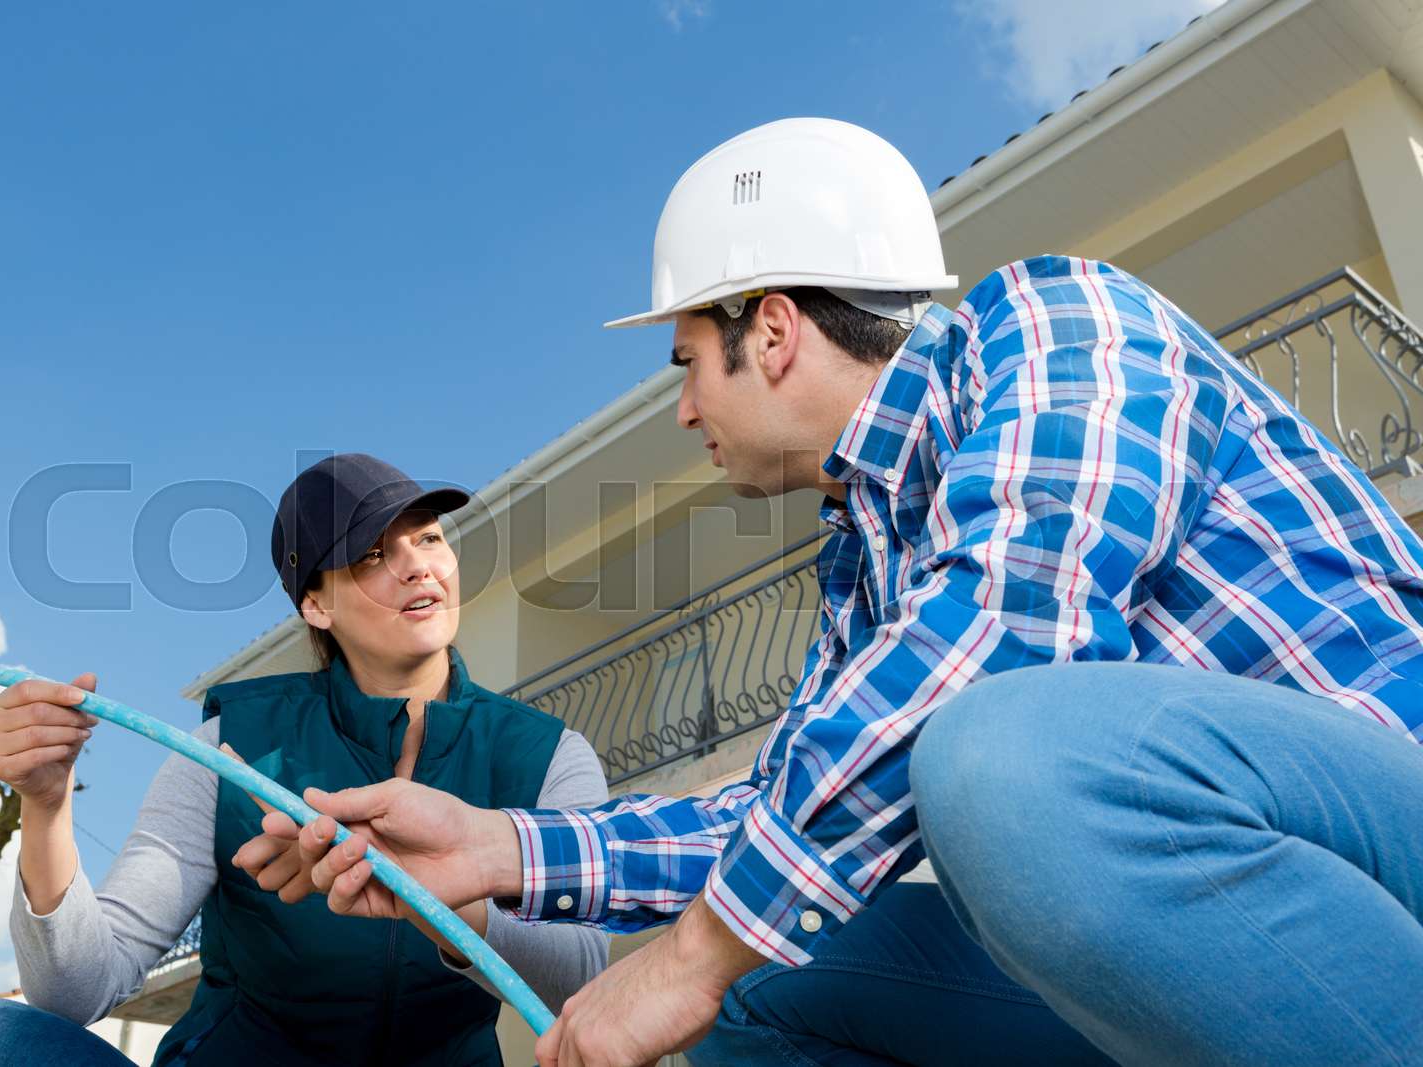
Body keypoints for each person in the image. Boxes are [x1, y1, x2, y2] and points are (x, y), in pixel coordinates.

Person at [237, 120, 1423, 1067]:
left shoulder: (1059, 321)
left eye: (687, 365)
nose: (687, 409)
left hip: (1382, 850)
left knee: (1002, 752)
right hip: (1212, 954)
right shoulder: (868, 553)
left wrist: (696, 953)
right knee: (772, 988)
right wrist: (501, 843)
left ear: (775, 331)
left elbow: (1012, 630)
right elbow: (770, 809)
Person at [0, 453, 609, 1067]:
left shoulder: (548, 756)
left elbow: (581, 976)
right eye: (372, 554)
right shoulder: (227, 749)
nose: (417, 564)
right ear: (316, 606)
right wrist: (46, 803)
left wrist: (434, 889)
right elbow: (76, 988)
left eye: (428, 536)